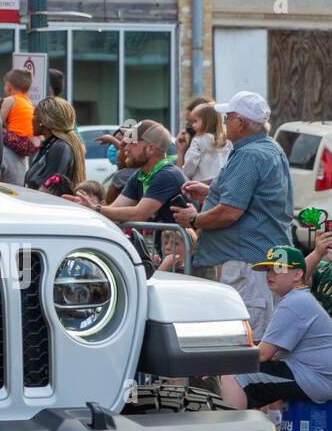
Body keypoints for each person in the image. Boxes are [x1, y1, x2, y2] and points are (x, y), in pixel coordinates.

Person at [171, 91, 292, 340]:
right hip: (262, 254)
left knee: (248, 339)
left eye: (227, 118)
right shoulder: (269, 147)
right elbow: (251, 195)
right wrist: (210, 191)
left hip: (249, 259)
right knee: (262, 335)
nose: (224, 124)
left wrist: (193, 220)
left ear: (240, 122)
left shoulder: (249, 154)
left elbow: (229, 213)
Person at [221, 245, 332, 409]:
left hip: (318, 379)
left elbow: (263, 354)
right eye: (268, 269)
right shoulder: (296, 298)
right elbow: (271, 356)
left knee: (233, 376)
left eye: (279, 268)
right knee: (259, 371)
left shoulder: (294, 302)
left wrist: (222, 363)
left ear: (298, 274)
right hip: (313, 375)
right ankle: (270, 425)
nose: (270, 274)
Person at [67, 120, 185, 235]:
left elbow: (139, 213)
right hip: (166, 249)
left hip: (182, 250)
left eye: (132, 143)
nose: (125, 149)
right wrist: (83, 207)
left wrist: (95, 208)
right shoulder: (140, 175)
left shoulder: (167, 174)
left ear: (151, 149)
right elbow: (114, 208)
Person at [24, 97, 86, 191]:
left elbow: (47, 188)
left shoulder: (60, 147)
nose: (31, 118)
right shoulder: (50, 145)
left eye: (34, 114)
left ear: (43, 120)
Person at [179, 101, 231, 184]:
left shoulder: (198, 140)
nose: (192, 125)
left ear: (207, 122)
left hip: (202, 182)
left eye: (195, 121)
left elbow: (191, 162)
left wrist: (184, 173)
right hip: (222, 181)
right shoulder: (226, 140)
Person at [0, 68, 35, 186]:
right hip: (30, 144)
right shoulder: (28, 102)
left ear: (8, 87)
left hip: (18, 140)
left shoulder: (10, 100)